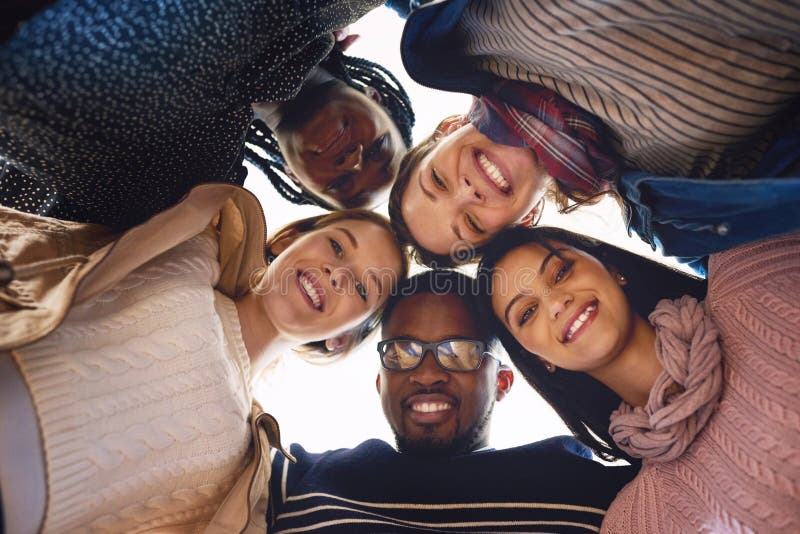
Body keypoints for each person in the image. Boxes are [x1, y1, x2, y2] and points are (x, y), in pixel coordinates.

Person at [0, 182, 407, 533]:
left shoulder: (245, 466)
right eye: (336, 246)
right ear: (287, 240)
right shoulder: (195, 245)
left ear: (342, 338)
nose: (337, 274)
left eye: (360, 288)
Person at [387, 0, 800, 271]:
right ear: (527, 219)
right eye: (472, 222)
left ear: (447, 129)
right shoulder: (676, 208)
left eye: (437, 181)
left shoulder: (470, 30)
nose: (466, 193)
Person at [477, 226, 800, 532]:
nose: (556, 302)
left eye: (561, 272)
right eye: (528, 312)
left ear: (611, 268)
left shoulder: (754, 266)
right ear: (539, 359)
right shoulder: (635, 523)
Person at [269, 270, 637, 533]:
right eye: (402, 351)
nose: (427, 374)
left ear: (502, 383)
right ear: (381, 381)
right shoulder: (299, 478)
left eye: (459, 352)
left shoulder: (595, 493)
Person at [0, 0, 414, 229]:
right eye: (380, 150)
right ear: (374, 95)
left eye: (343, 183)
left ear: (294, 178)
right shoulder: (334, 7)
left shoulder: (184, 188)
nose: (354, 160)